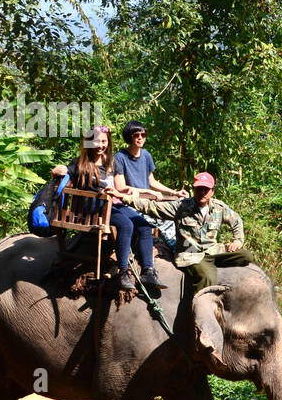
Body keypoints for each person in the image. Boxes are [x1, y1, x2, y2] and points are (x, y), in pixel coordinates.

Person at [51, 125, 163, 291]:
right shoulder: (80, 163)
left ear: (108, 143)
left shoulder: (113, 162)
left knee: (145, 226)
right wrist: (59, 171)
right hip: (92, 207)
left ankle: (148, 270)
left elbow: (120, 187)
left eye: (103, 141)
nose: (100, 145)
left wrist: (125, 190)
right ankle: (123, 272)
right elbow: (64, 177)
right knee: (126, 225)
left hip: (113, 203)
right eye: (96, 141)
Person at [129, 172, 254, 290]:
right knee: (207, 277)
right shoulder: (181, 207)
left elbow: (236, 221)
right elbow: (151, 207)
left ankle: (213, 263)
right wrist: (125, 198)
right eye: (199, 189)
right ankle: (198, 309)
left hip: (212, 251)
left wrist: (237, 240)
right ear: (193, 190)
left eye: (206, 189)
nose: (202, 192)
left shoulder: (219, 208)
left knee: (246, 256)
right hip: (190, 255)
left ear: (212, 191)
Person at [111, 121, 186, 250]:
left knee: (172, 218)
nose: (140, 137)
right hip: (130, 204)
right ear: (129, 136)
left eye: (143, 134)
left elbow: (152, 182)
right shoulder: (119, 157)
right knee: (159, 221)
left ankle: (183, 250)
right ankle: (177, 251)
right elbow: (121, 187)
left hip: (147, 202)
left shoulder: (146, 155)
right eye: (136, 135)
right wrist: (149, 192)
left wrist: (174, 193)